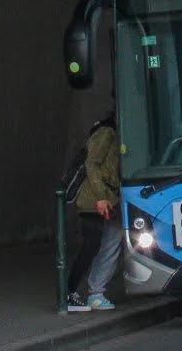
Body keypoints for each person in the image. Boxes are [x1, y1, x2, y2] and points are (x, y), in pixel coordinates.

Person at [66, 113, 121, 312]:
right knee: (91, 244)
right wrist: (100, 197)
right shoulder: (106, 133)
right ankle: (69, 293)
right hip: (94, 199)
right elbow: (91, 163)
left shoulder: (113, 134)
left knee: (111, 239)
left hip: (106, 197)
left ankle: (95, 293)